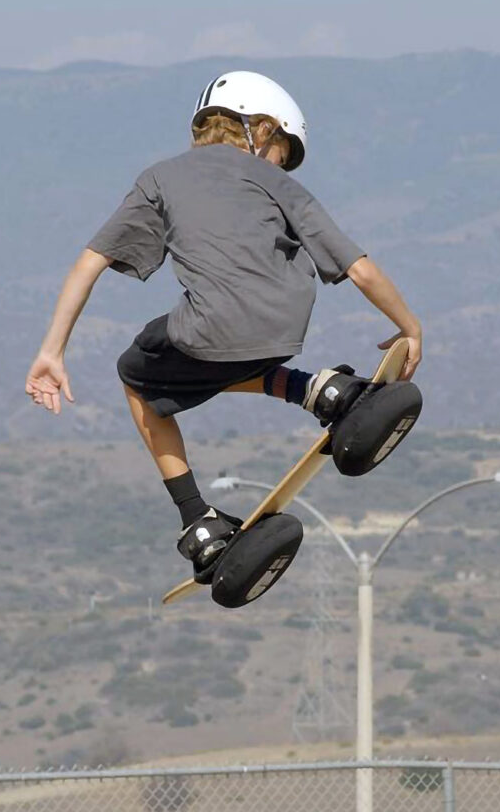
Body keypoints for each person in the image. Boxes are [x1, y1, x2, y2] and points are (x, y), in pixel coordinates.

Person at [25, 70, 421, 580]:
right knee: (204, 365)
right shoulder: (276, 182)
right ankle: (321, 391)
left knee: (138, 377)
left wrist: (52, 351)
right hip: (283, 328)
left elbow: (89, 261)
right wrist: (409, 326)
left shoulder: (161, 178)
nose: (283, 165)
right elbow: (359, 268)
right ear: (262, 130)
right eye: (285, 152)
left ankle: (198, 521)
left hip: (213, 328)